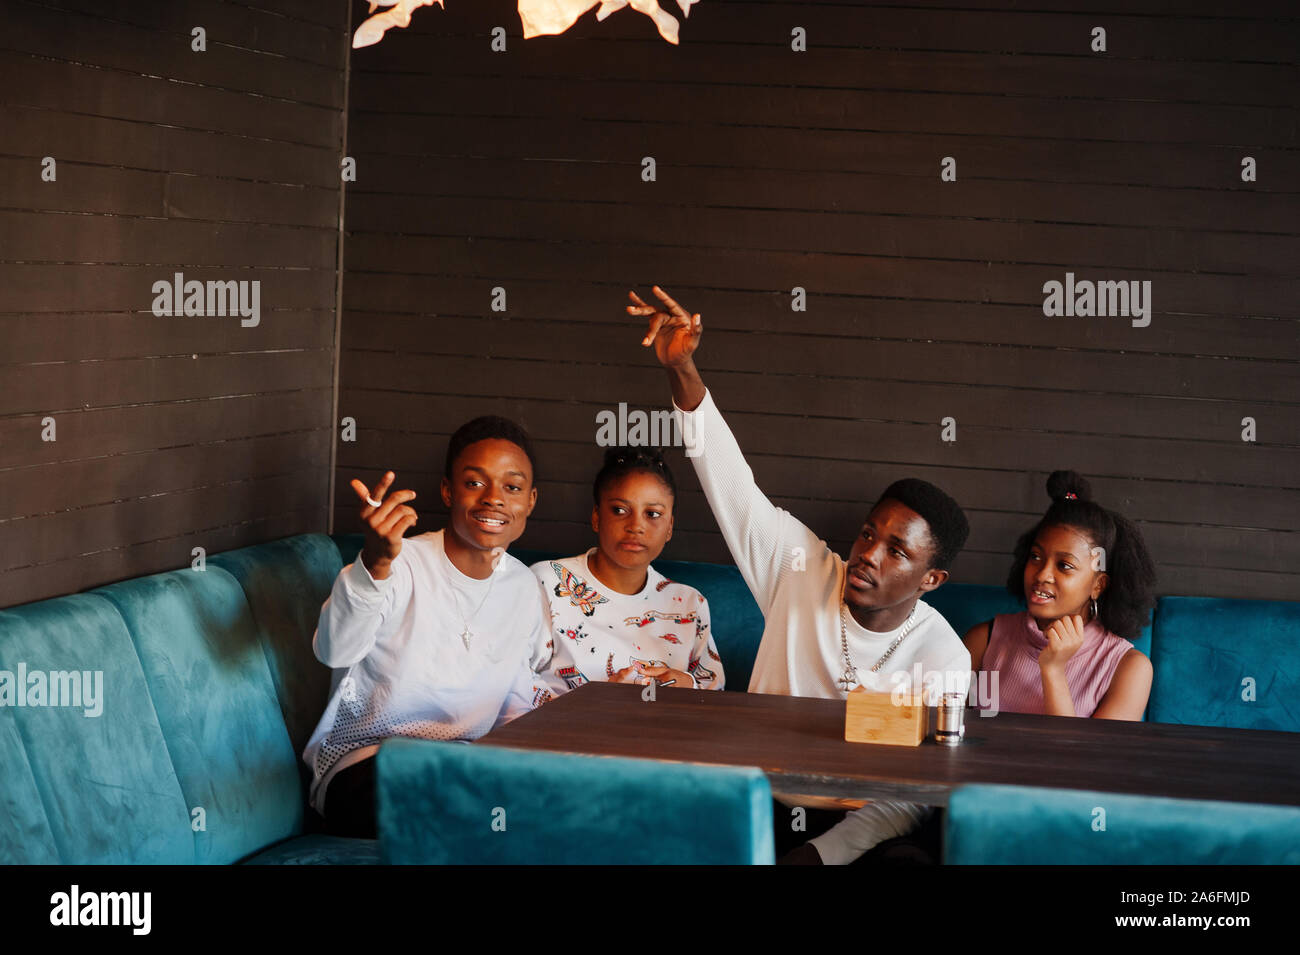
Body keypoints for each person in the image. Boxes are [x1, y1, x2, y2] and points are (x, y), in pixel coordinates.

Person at [630, 285, 971, 865]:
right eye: (868, 534)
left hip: (861, 829)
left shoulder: (943, 655)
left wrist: (820, 855)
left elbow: (913, 796)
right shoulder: (800, 568)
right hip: (757, 800)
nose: (868, 554)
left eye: (896, 552)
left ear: (930, 579)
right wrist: (683, 368)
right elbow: (729, 484)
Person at [301, 416, 558, 838]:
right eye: (475, 483)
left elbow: (515, 703)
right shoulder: (397, 564)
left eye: (511, 487)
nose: (494, 499)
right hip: (368, 767)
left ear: (530, 501)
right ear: (447, 490)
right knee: (473, 807)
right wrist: (375, 564)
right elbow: (334, 651)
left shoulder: (523, 587)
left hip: (466, 767)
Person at [963, 470, 1155, 720]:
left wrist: (1053, 670)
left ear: (1098, 584)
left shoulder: (1128, 668)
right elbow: (947, 733)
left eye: (1064, 565)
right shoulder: (983, 641)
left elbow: (1083, 760)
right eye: (1035, 557)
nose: (1041, 574)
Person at [533, 446, 724, 693]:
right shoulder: (546, 582)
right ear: (596, 516)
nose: (636, 526)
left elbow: (714, 693)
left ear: (669, 528)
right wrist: (601, 703)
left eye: (653, 514)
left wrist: (688, 687)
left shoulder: (690, 604)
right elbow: (513, 684)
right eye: (620, 510)